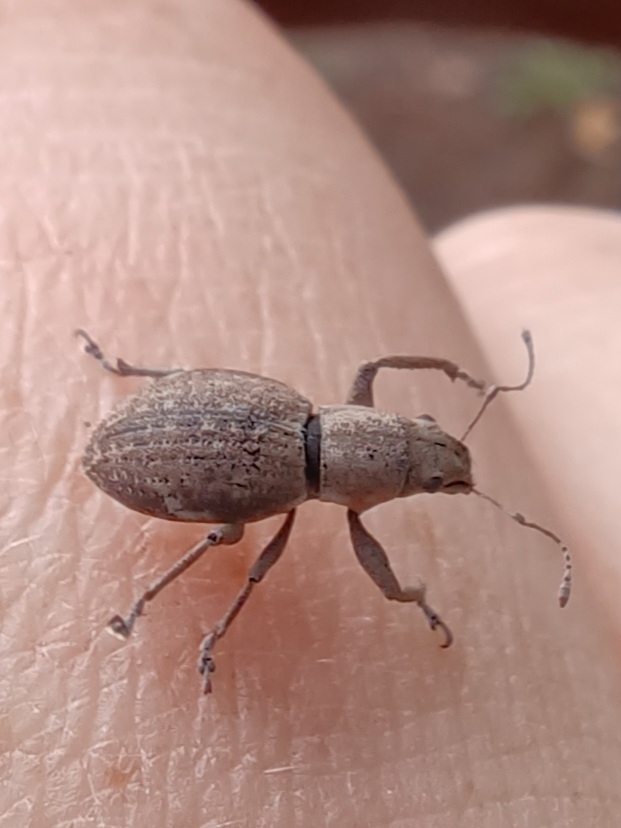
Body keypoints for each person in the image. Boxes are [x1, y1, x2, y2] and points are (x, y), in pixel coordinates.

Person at [3, 2, 620, 825]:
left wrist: (451, 380)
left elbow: (335, 374)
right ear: (381, 449)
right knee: (238, 551)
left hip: (192, 428)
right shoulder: (290, 482)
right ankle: (159, 604)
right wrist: (408, 593)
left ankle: (125, 388)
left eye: (422, 463)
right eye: (422, 454)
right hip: (152, 458)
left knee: (239, 531)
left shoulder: (299, 432)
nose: (431, 458)